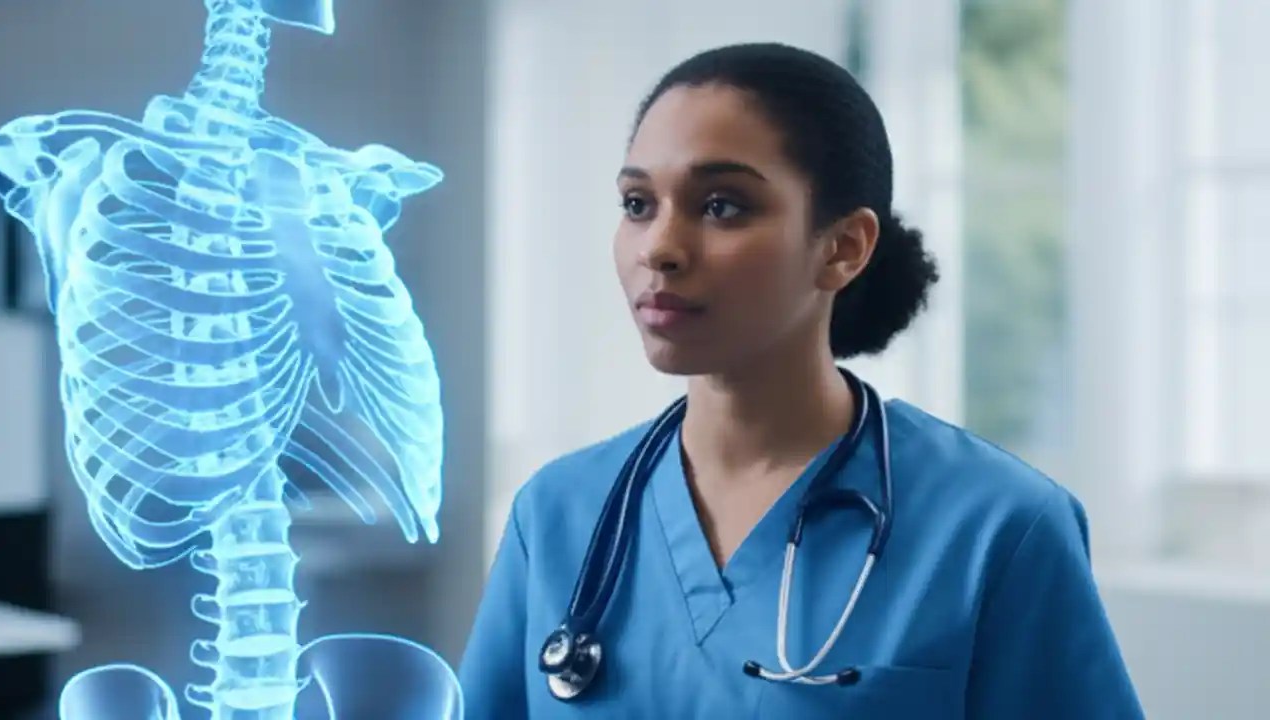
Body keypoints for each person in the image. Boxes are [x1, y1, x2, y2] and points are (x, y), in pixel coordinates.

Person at [457, 42, 1145, 719]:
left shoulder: (998, 527)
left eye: (722, 205)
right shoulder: (556, 516)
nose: (660, 248)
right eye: (638, 203)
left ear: (844, 248)